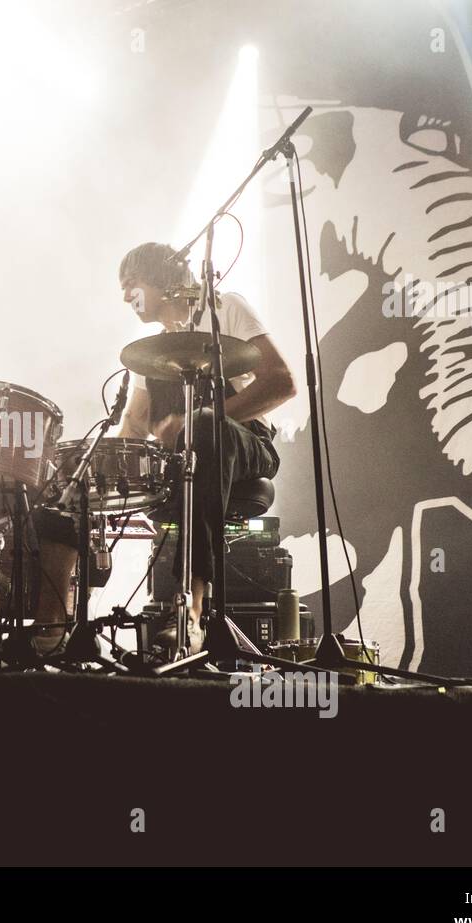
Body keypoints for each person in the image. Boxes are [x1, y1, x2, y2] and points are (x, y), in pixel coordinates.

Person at [33, 242, 297, 657]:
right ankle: (52, 629)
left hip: (242, 444)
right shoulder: (149, 352)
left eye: (131, 284)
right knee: (72, 475)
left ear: (160, 278)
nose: (124, 297)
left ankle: (189, 614)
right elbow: (134, 425)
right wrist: (90, 462)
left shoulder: (224, 307)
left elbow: (282, 381)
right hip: (174, 461)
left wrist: (198, 421)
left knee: (208, 429)